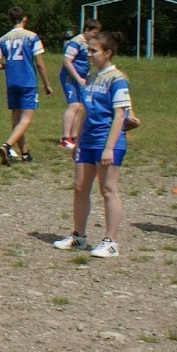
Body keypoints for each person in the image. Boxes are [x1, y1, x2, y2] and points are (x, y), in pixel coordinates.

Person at [53, 30, 130, 259]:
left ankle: (110, 241)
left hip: (108, 141)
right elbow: (85, 110)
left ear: (108, 53)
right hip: (87, 141)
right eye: (88, 50)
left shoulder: (118, 79)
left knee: (108, 189)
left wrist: (108, 147)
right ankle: (78, 236)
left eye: (93, 51)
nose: (88, 54)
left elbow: (120, 116)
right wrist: (77, 141)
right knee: (80, 187)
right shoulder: (94, 77)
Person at [0, 7, 52, 165]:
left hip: (12, 82)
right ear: (24, 18)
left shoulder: (3, 39)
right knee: (26, 120)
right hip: (27, 82)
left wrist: (8, 66)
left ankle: (25, 153)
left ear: (9, 20)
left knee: (16, 119)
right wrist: (47, 84)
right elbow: (39, 63)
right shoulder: (32, 37)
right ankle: (7, 145)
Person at [58, 18, 100, 149]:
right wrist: (78, 78)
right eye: (94, 32)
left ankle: (74, 136)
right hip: (70, 77)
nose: (95, 35)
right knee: (74, 105)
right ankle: (65, 138)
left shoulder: (88, 43)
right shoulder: (76, 42)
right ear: (87, 30)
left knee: (82, 106)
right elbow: (67, 61)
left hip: (81, 78)